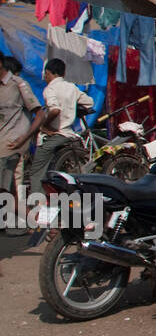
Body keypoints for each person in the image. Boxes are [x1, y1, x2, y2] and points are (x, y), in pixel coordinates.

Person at [25, 59, 93, 195]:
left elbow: (55, 110)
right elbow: (89, 102)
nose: (44, 77)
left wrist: (45, 125)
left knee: (36, 171)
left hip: (56, 134)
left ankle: (37, 204)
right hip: (69, 133)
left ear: (49, 73)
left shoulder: (50, 89)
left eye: (45, 74)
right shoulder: (71, 87)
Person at [1, 56, 44, 232]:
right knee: (9, 193)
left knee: (7, 191)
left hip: (10, 146)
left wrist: (24, 138)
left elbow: (40, 114)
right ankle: (42, 225)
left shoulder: (19, 84)